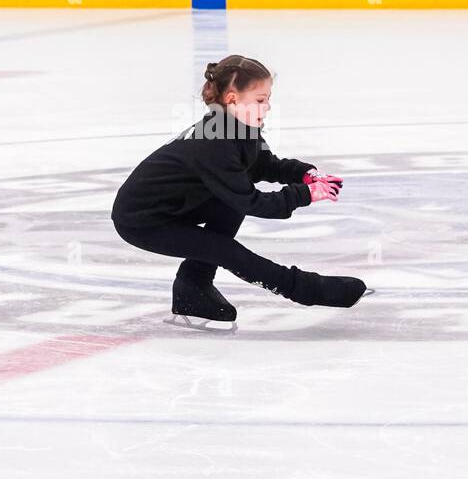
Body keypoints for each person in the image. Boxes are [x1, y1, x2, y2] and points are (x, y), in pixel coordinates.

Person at [111, 54, 369, 329]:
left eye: (268, 99)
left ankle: (192, 287)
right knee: (225, 249)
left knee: (229, 202)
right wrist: (305, 195)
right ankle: (305, 288)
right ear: (232, 99)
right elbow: (252, 202)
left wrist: (303, 174)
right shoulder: (214, 142)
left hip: (178, 205)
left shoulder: (239, 128)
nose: (268, 107)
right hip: (143, 220)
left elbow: (262, 164)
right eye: (260, 100)